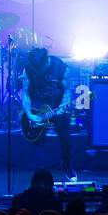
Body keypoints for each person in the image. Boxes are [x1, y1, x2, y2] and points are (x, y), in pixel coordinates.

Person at [19, 46, 75, 179]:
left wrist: (62, 106)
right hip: (38, 102)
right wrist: (29, 114)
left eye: (40, 69)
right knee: (38, 137)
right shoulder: (28, 69)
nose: (38, 72)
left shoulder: (61, 68)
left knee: (65, 137)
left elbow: (67, 90)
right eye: (36, 70)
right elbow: (25, 92)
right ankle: (41, 171)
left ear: (46, 62)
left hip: (57, 104)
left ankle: (67, 165)